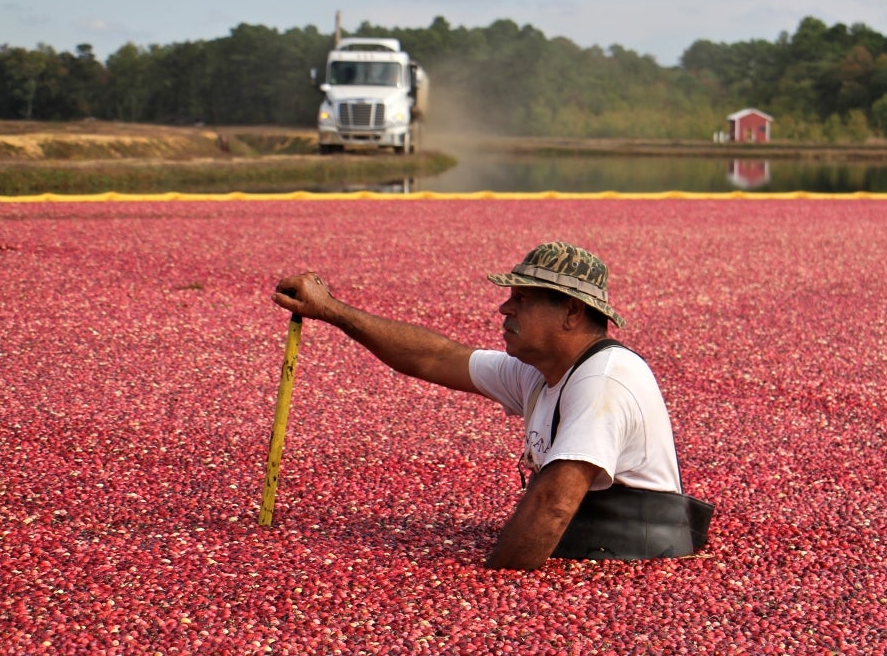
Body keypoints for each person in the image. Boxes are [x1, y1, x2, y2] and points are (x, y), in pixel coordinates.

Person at [272, 241, 710, 570]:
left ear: (572, 312)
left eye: (522, 299)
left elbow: (554, 504)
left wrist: (494, 582)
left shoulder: (603, 382)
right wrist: (331, 311)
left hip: (631, 559)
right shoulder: (540, 371)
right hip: (586, 552)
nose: (505, 308)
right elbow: (434, 357)